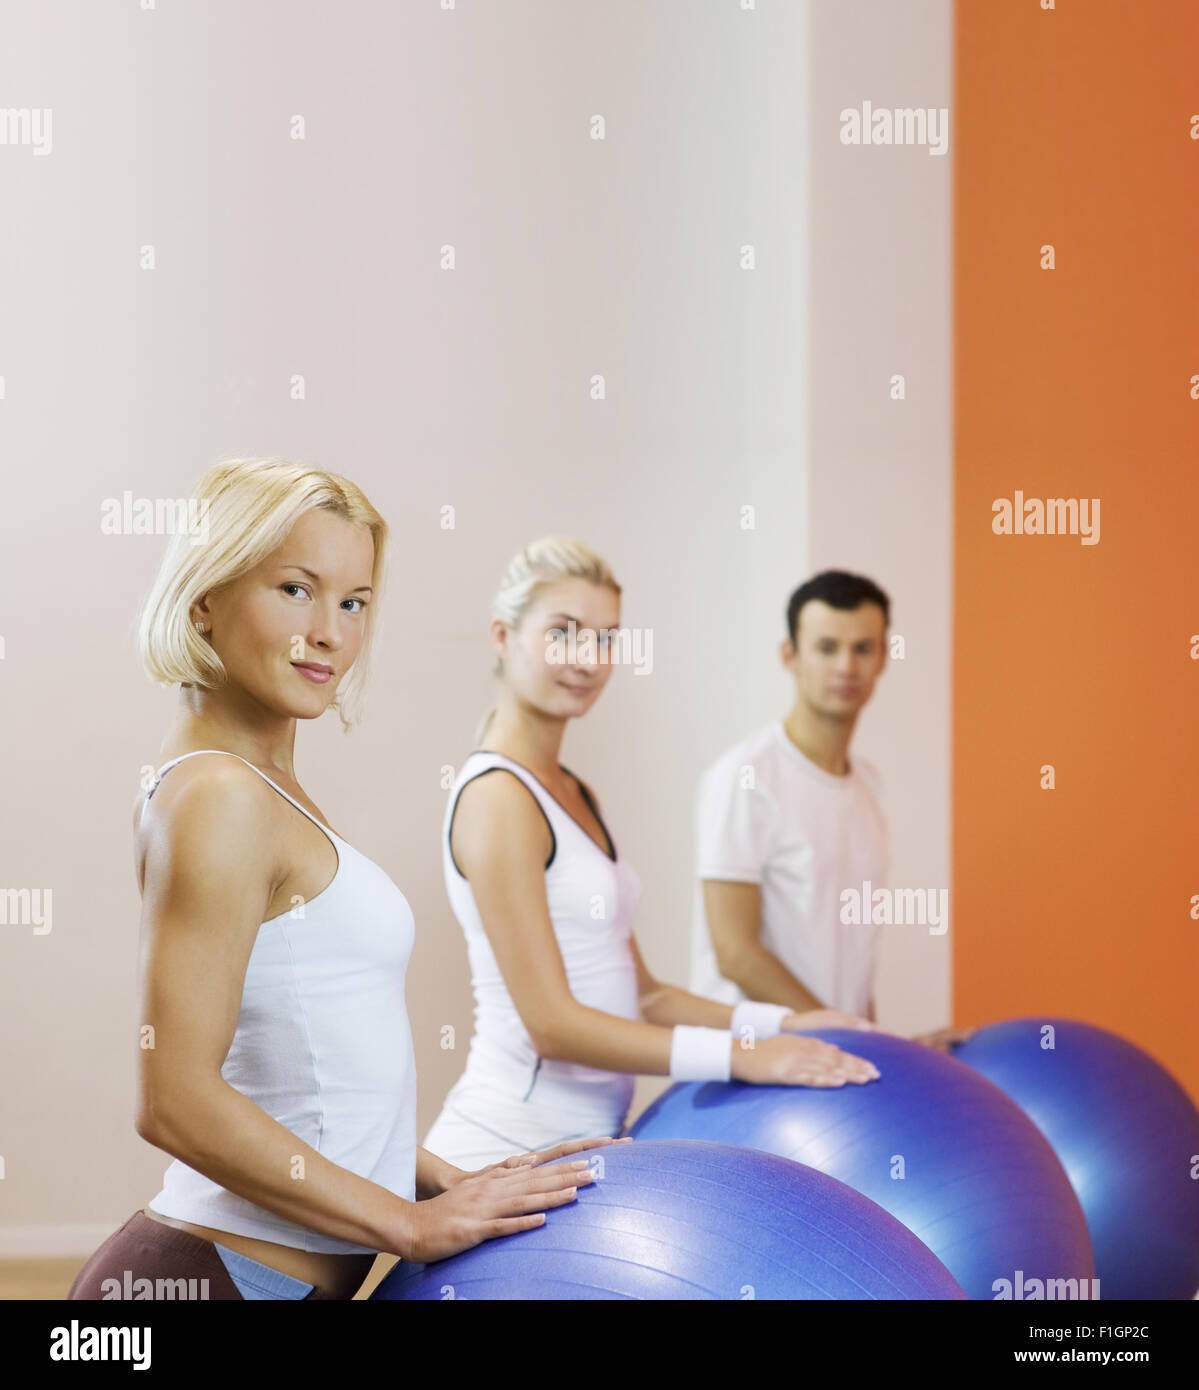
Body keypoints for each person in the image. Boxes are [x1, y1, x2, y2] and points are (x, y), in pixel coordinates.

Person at [68, 459, 620, 1302]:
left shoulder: (263, 788)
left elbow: (308, 1087)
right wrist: (411, 1226)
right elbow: (173, 1098)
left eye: (353, 601)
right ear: (205, 597)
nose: (329, 631)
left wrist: (442, 1181)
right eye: (295, 589)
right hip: (210, 1281)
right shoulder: (217, 795)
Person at [422, 538, 881, 1171]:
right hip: (503, 1147)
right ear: (503, 636)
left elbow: (649, 996)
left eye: (607, 639)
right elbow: (551, 1024)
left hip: (587, 1144)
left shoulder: (573, 791)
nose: (588, 658)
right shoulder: (498, 796)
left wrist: (784, 1024)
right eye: (565, 633)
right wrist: (742, 1055)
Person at [690, 569, 971, 1052]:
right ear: (789, 656)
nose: (846, 666)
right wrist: (855, 1038)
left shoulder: (868, 787)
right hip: (752, 1066)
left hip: (831, 1060)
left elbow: (854, 960)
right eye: (826, 648)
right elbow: (735, 953)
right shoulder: (745, 777)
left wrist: (885, 1052)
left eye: (863, 649)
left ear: (884, 657)